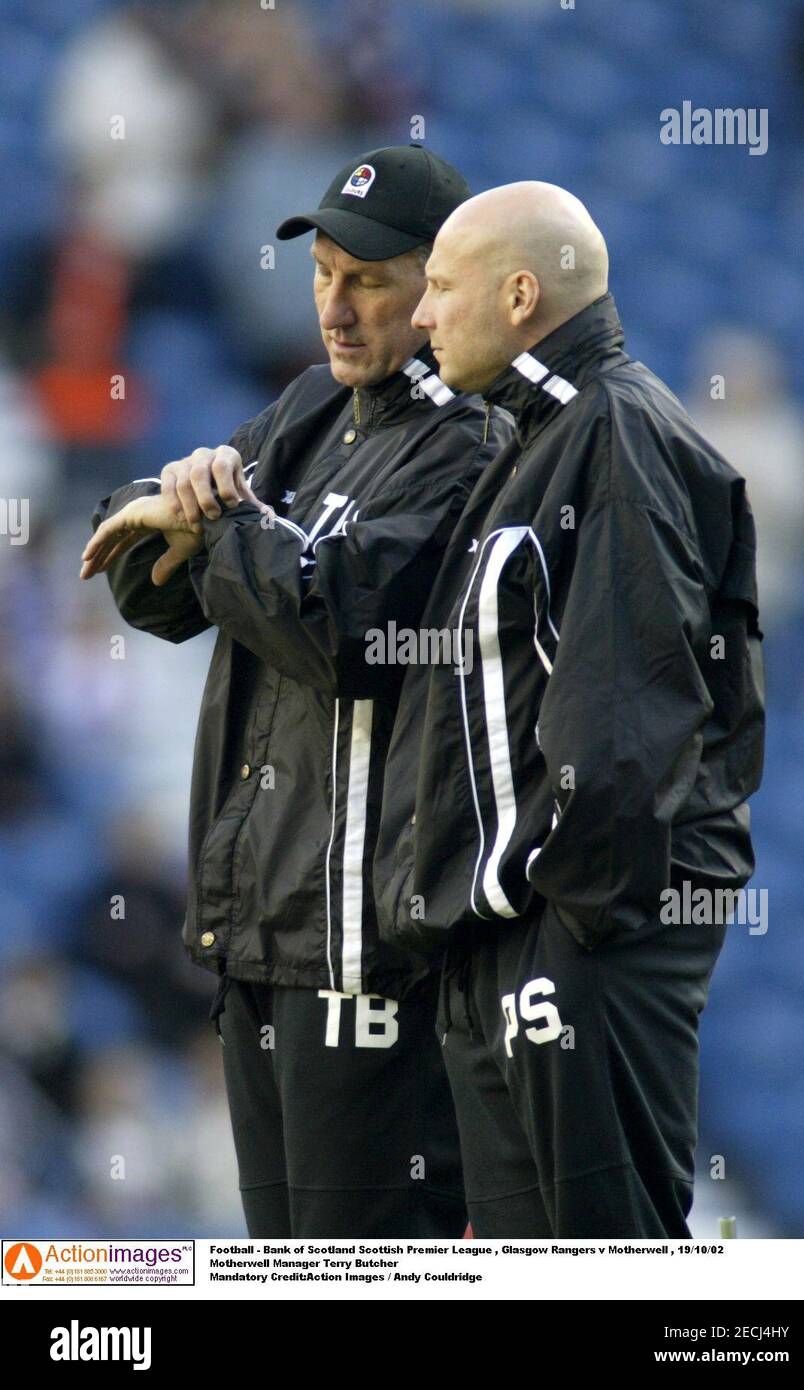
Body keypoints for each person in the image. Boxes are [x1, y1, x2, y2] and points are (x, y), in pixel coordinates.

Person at [80, 145, 513, 1238]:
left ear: (438, 286)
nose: (336, 305)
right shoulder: (310, 408)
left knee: (358, 1273)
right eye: (323, 273)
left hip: (368, 955)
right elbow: (152, 587)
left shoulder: (469, 441)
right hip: (258, 937)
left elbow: (341, 628)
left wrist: (219, 521)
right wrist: (172, 494)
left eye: (368, 278)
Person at [374, 182, 766, 1238]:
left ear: (515, 294)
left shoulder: (616, 432)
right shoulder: (539, 434)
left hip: (574, 937)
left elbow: (624, 710)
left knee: (607, 1266)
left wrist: (570, 924)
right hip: (513, 938)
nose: (418, 314)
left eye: (441, 288)